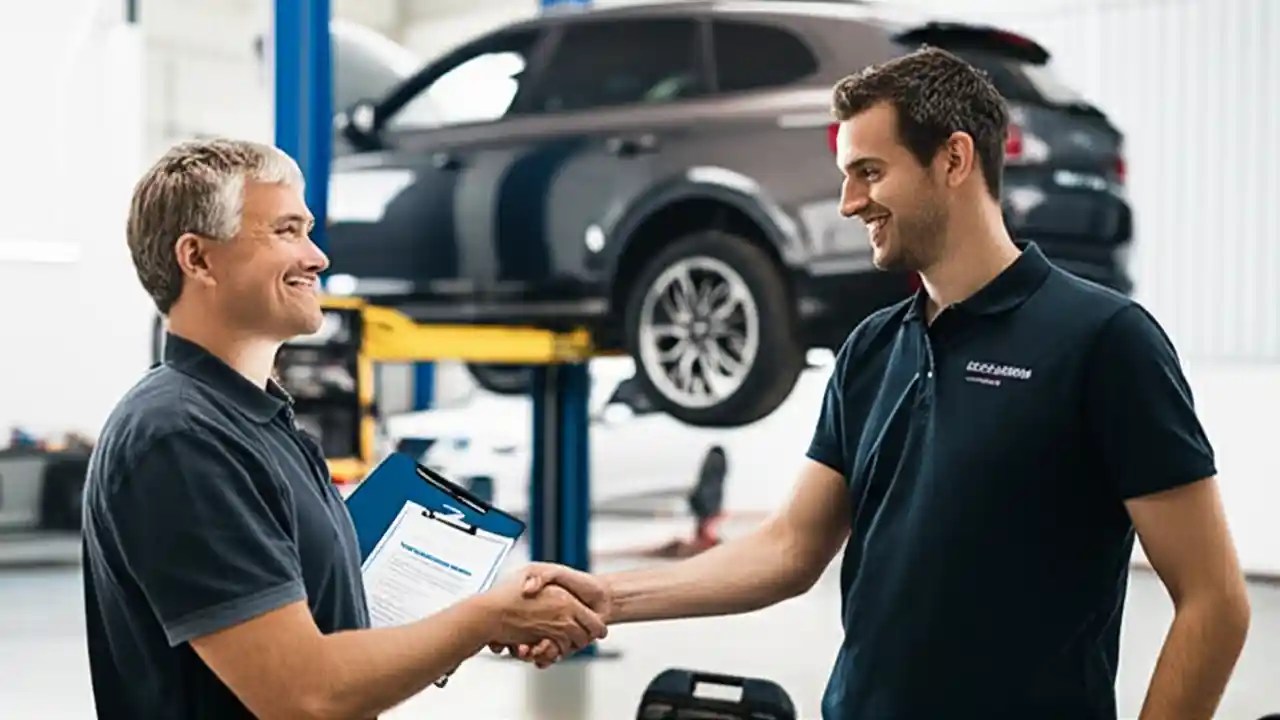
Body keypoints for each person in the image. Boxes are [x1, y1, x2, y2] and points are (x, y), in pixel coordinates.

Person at [507, 47, 1252, 719]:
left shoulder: (1104, 341)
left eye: (869, 171)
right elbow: (789, 548)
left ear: (954, 160)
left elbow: (1214, 601)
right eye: (846, 177)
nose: (848, 202)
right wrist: (609, 596)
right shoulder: (871, 349)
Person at [80, 138, 608, 719]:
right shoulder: (179, 437)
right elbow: (305, 696)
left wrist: (470, 611)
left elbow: (330, 630)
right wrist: (487, 618)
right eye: (285, 232)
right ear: (198, 259)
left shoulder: (263, 423)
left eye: (307, 229)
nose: (317, 257)